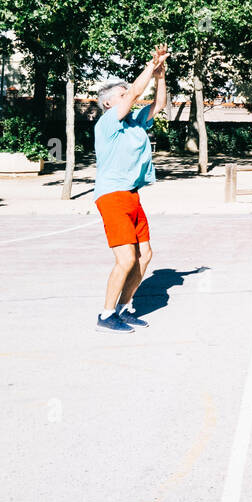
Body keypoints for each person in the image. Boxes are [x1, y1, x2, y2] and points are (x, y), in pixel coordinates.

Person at [93, 45, 169, 333]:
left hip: (132, 196)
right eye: (122, 95)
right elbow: (137, 92)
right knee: (125, 259)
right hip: (112, 197)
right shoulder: (108, 123)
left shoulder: (135, 123)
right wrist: (151, 65)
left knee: (145, 255)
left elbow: (158, 105)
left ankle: (124, 308)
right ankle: (105, 315)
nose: (130, 97)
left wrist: (160, 74)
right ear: (110, 104)